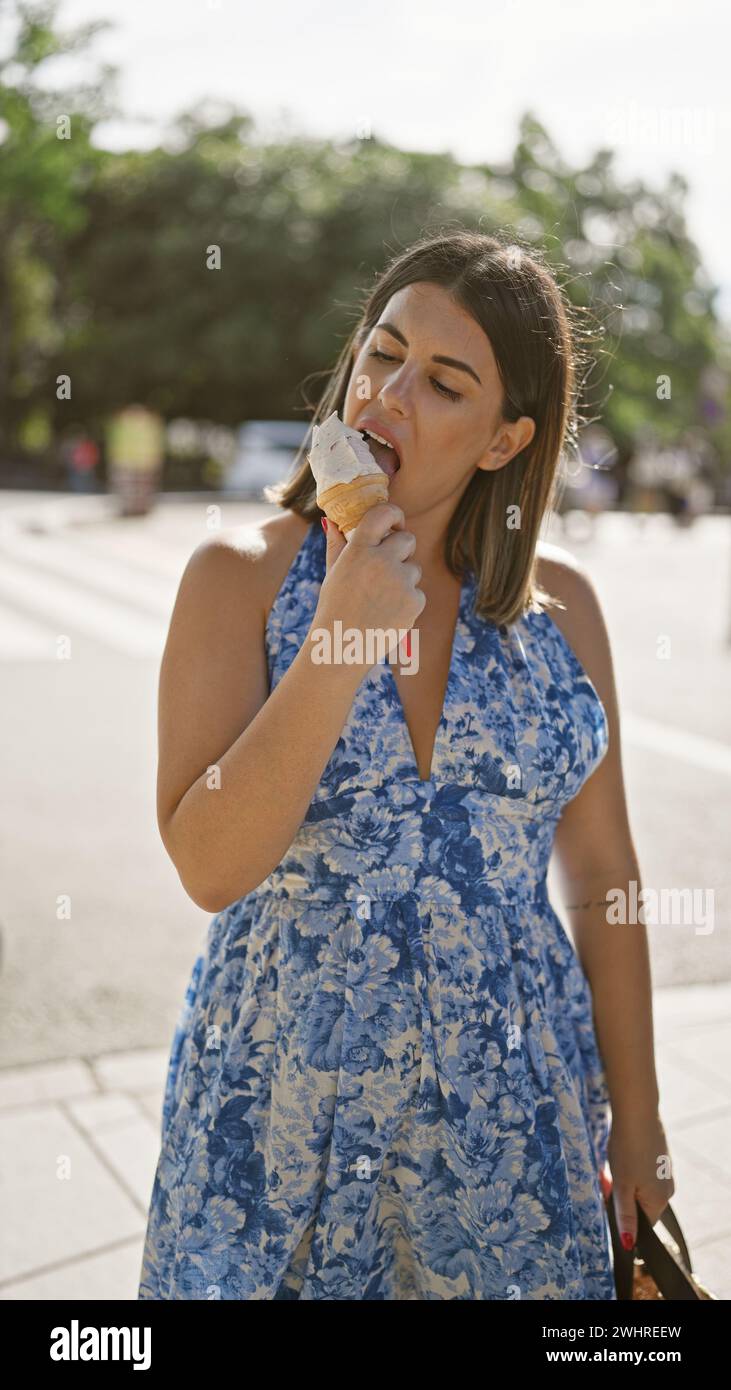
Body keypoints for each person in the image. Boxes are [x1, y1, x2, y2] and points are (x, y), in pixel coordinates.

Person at [138, 230, 672, 1301]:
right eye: (380, 353)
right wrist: (341, 632)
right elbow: (207, 866)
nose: (385, 393)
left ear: (501, 438)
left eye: (442, 382)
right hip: (279, 1120)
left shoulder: (563, 611)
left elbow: (604, 874)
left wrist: (642, 1110)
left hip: (509, 1123)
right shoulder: (237, 579)